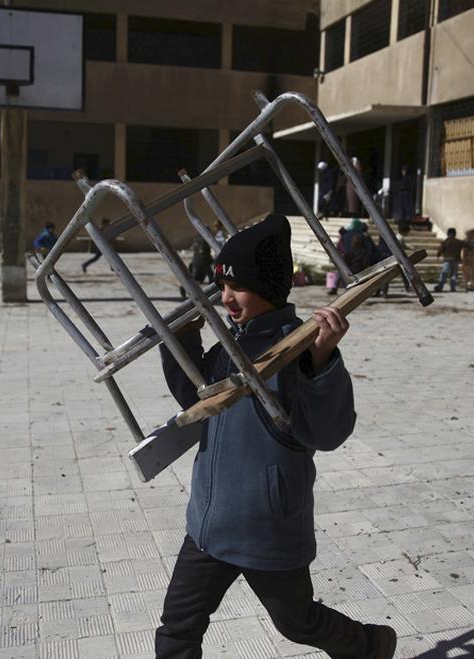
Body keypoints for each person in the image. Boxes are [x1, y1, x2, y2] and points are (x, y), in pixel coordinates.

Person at [155, 214, 397, 659]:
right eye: (221, 286)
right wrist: (180, 341)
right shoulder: (232, 342)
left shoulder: (299, 345)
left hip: (267, 528)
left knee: (296, 621)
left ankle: (368, 644)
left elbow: (329, 433)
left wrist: (322, 360)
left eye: (237, 287)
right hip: (208, 525)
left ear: (267, 285)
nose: (225, 297)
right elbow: (195, 398)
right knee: (177, 628)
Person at [435, 227, 464, 293]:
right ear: (455, 234)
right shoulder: (458, 242)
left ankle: (440, 286)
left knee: (444, 273)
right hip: (455, 260)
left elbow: (440, 249)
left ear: (448, 234)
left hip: (447, 260)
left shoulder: (446, 241)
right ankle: (453, 288)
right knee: (454, 274)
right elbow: (466, 245)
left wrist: (438, 255)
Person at [393, 165, 415, 234]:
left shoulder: (407, 178)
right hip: (403, 196)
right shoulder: (404, 178)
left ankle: (404, 225)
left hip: (405, 196)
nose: (403, 172)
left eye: (404, 171)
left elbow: (406, 186)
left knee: (405, 210)